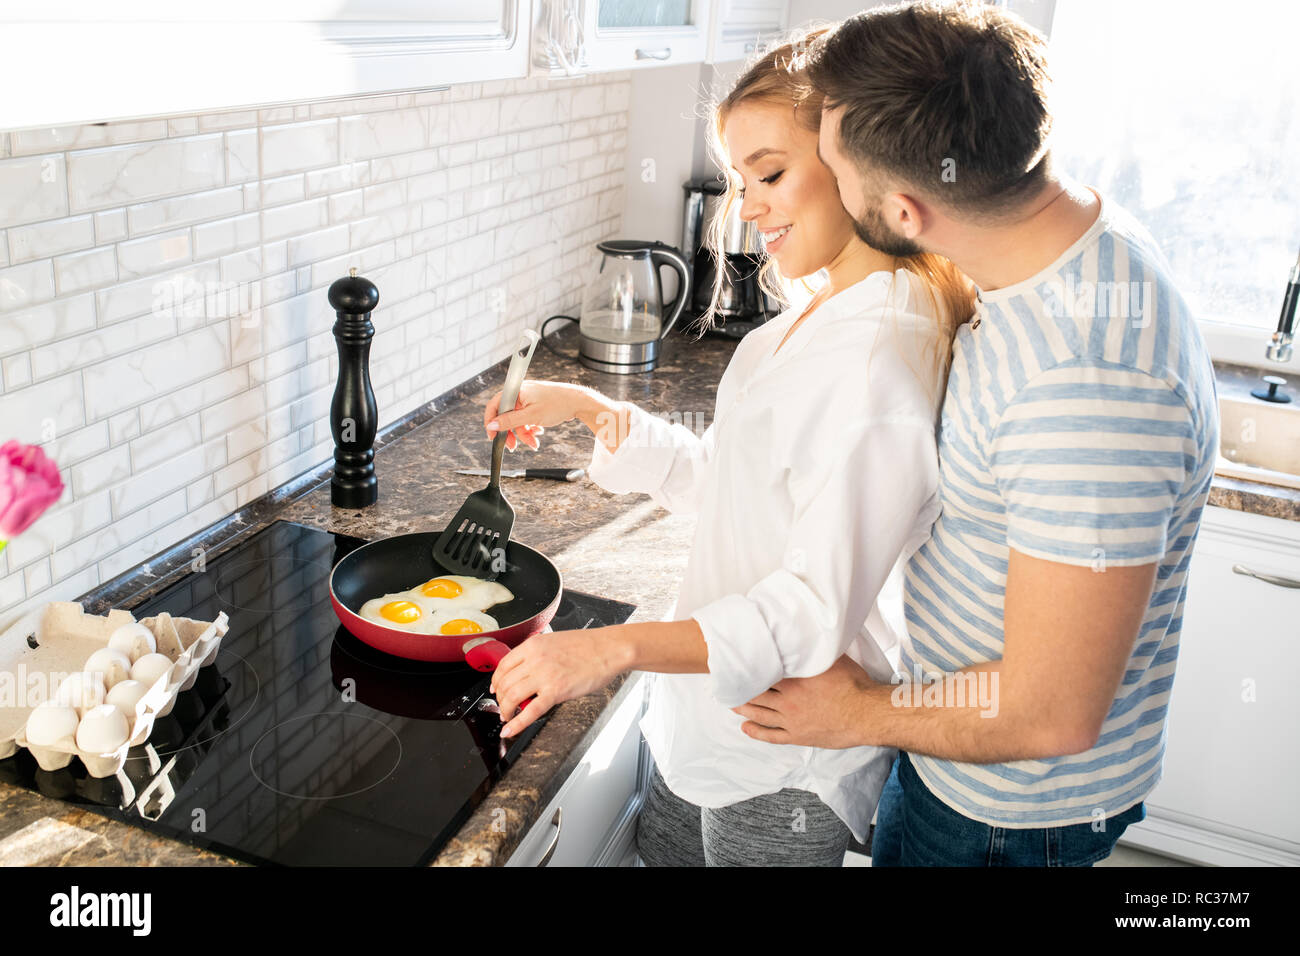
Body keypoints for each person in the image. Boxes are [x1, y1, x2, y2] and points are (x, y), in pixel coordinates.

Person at [731, 0, 1220, 867]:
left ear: (906, 212)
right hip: (956, 752)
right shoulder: (1060, 227)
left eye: (834, 172)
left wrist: (855, 713)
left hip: (1003, 810)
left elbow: (1050, 712)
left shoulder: (1083, 390)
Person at [483, 28, 975, 866]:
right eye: (744, 182)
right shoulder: (814, 316)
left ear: (853, 158)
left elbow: (810, 609)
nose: (747, 209)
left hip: (780, 753)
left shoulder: (879, 364)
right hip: (707, 707)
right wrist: (596, 411)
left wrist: (612, 647)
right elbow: (734, 488)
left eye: (770, 174)